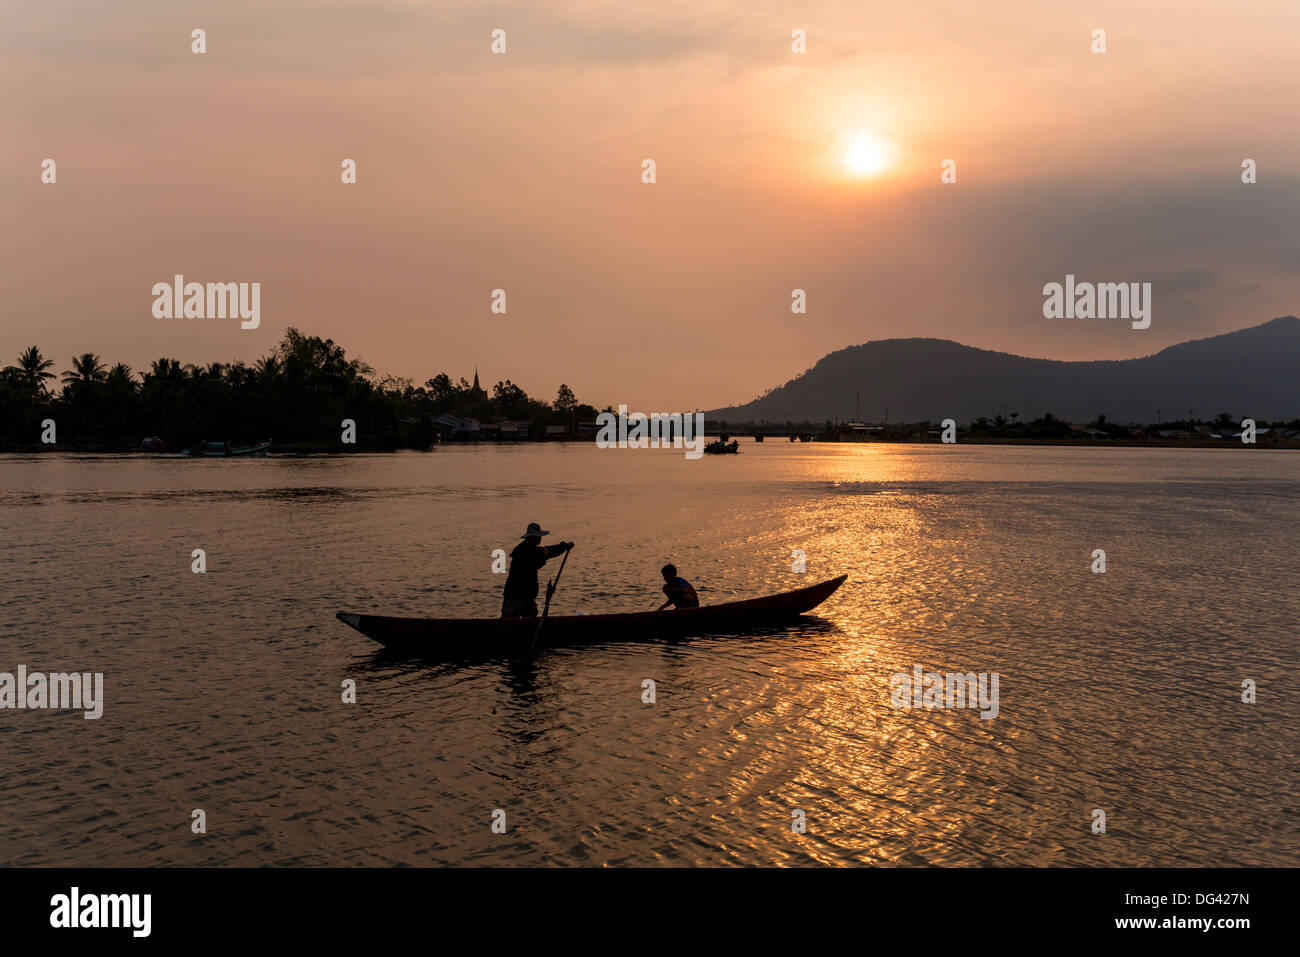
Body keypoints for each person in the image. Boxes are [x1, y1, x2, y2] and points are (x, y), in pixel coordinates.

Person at [501, 522, 573, 618]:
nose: (539, 539)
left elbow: (549, 551)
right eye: (537, 536)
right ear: (531, 538)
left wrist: (564, 547)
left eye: (539, 536)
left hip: (527, 597)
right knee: (510, 623)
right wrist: (544, 555)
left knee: (532, 615)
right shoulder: (521, 551)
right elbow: (536, 562)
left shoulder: (533, 549)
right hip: (514, 597)